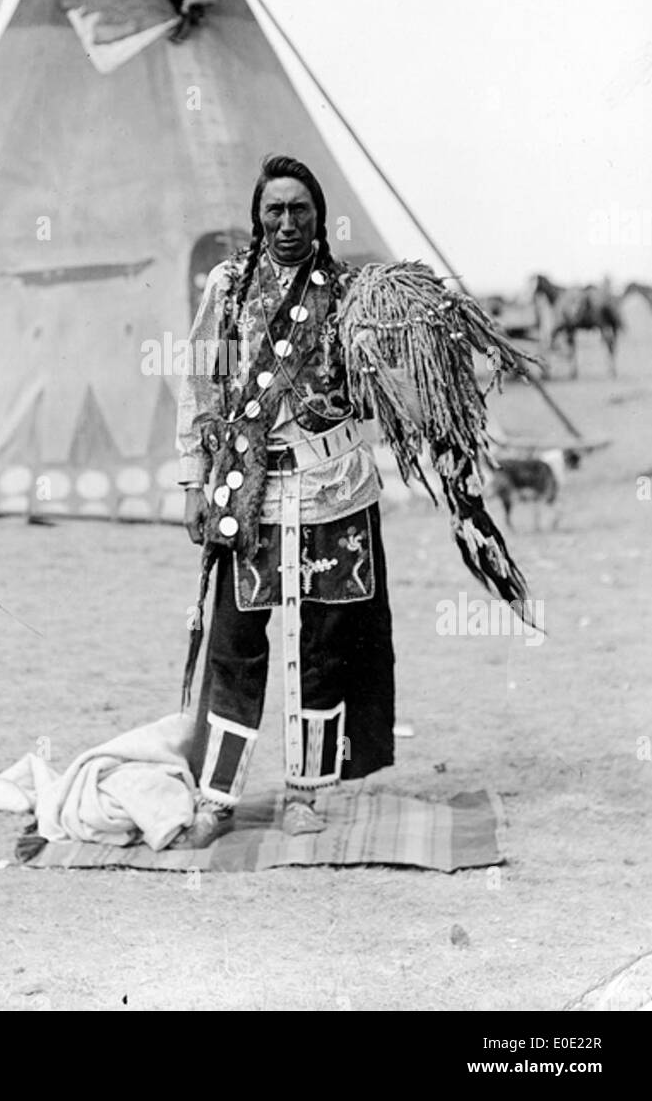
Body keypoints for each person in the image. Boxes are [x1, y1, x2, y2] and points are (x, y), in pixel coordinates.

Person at [173, 154, 415, 847]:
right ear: (257, 215)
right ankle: (216, 797)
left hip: (333, 491)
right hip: (247, 494)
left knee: (326, 643)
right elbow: (198, 384)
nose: (285, 222)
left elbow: (382, 386)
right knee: (236, 640)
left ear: (318, 216)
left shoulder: (348, 294)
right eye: (273, 209)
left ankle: (304, 791)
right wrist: (193, 482)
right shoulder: (226, 288)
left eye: (299, 210)